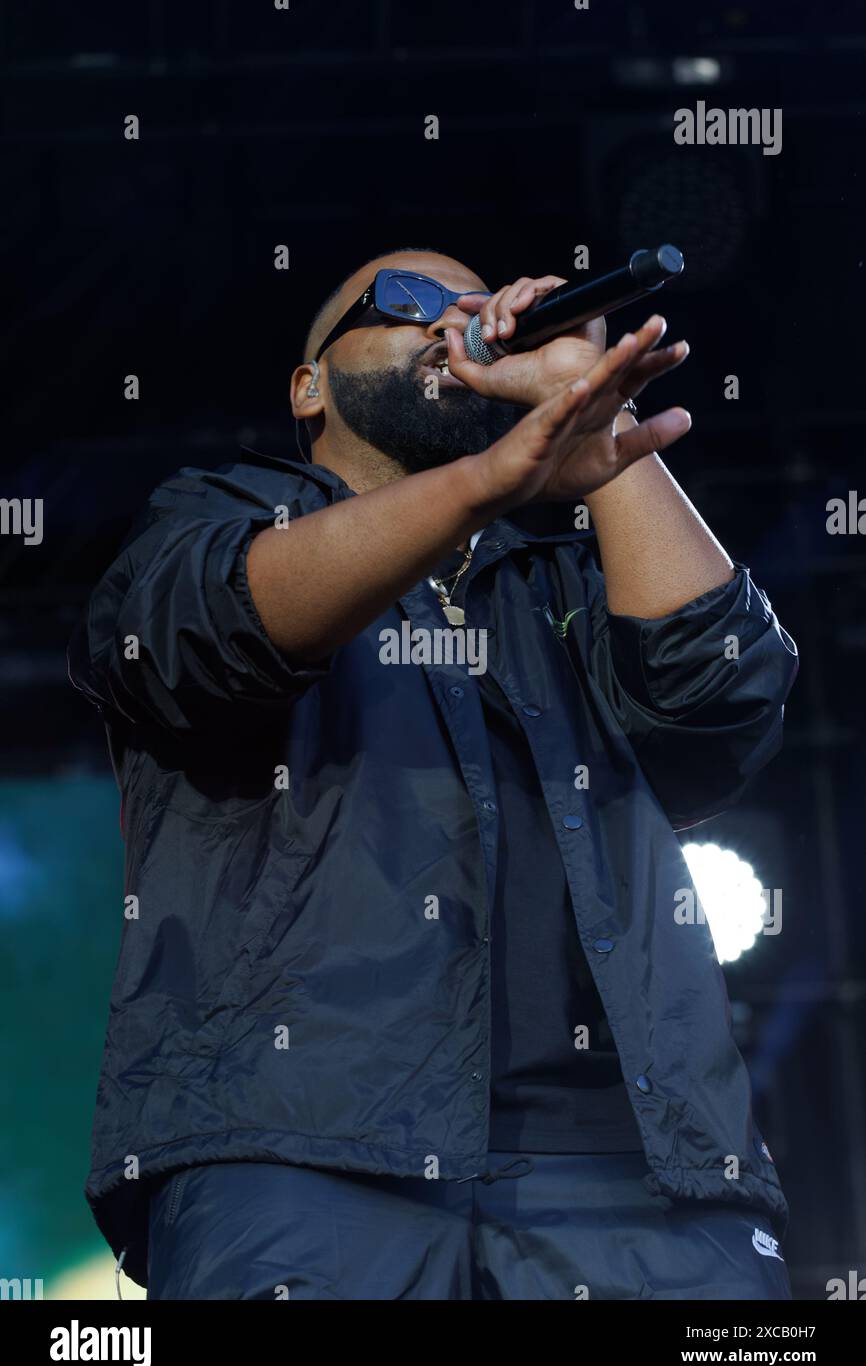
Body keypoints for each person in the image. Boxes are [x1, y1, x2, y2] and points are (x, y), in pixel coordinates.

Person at [69, 248, 798, 1300]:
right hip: (300, 1147)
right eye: (407, 300)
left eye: (469, 306)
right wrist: (493, 478)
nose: (450, 321)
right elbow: (206, 635)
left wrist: (589, 420)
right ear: (306, 385)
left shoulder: (566, 577)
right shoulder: (214, 514)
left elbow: (723, 699)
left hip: (644, 1172)